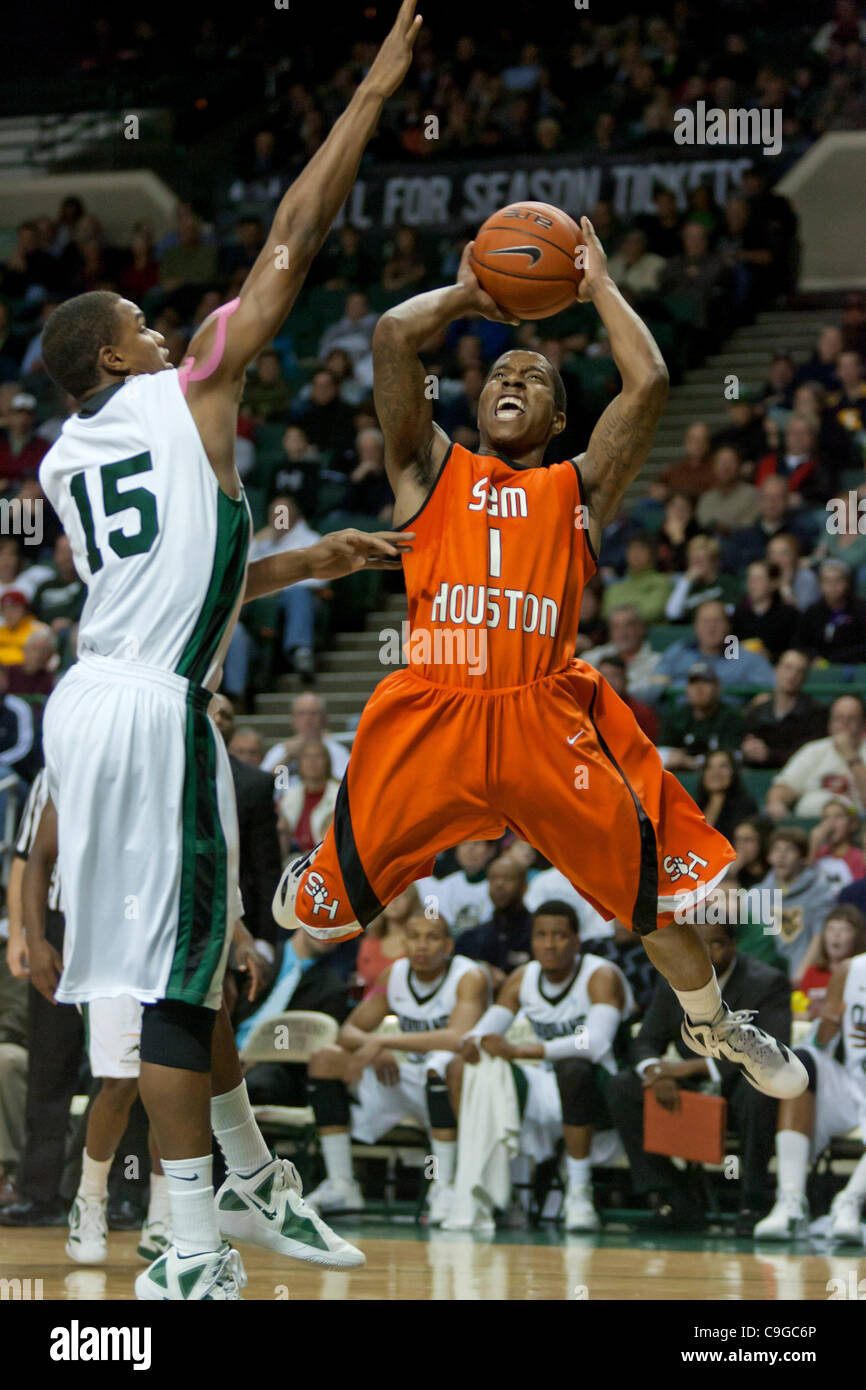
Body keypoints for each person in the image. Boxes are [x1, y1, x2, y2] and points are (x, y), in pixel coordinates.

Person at [33, 0, 422, 1301]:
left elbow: (170, 582)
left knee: (184, 966)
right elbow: (291, 242)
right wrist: (367, 101)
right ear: (111, 356)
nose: (166, 327)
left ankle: (237, 1185)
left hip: (94, 703)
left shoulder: (67, 452)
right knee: (186, 980)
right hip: (155, 713)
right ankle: (191, 1236)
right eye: (141, 322)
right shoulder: (181, 385)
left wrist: (308, 563)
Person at [277, 216, 808, 1111]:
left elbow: (649, 379)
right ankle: (318, 867)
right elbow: (392, 336)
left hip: (543, 718)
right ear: (477, 403)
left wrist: (596, 282)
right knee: (318, 917)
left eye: (536, 378)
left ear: (561, 418)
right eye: (500, 374)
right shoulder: (426, 470)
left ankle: (710, 1021)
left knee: (652, 894)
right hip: (434, 712)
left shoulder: (578, 489)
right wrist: (469, 293)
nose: (513, 379)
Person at [454, 900, 634, 1231]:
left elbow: (595, 1043)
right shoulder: (523, 977)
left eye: (559, 936)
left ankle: (580, 1192)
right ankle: (475, 1190)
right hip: (545, 1084)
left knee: (573, 1068)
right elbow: (486, 1029)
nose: (549, 944)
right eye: (541, 935)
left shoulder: (600, 975)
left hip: (602, 1087)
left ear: (577, 941)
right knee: (471, 1067)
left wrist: (522, 1050)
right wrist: (476, 1041)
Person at [606, 919, 791, 1235]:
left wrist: (689, 1068)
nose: (706, 953)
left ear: (734, 945)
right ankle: (674, 1197)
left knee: (757, 1092)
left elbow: (771, 1049)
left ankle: (752, 1202)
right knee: (622, 1087)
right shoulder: (677, 979)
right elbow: (646, 1040)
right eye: (699, 945)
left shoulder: (767, 982)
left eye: (716, 943)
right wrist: (656, 1072)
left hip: (740, 1083)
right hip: (689, 1086)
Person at [305, 913, 487, 1221]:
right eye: (414, 937)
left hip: (462, 1080)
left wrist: (385, 1043)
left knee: (440, 1064)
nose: (422, 945)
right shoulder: (395, 974)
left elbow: (456, 1037)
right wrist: (373, 1046)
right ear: (403, 943)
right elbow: (348, 1031)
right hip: (405, 1076)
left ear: (449, 944)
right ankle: (342, 1183)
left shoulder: (469, 977)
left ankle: (444, 1186)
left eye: (432, 938)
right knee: (325, 1059)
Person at [753, 948, 866, 1242]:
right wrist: (826, 1027)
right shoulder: (850, 970)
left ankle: (849, 1202)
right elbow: (821, 1042)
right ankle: (791, 1203)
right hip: (850, 1083)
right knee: (800, 1063)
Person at [757, 828, 838, 984]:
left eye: (789, 850)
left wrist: (801, 974)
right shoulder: (756, 894)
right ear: (769, 856)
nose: (781, 856)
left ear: (802, 857)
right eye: (777, 850)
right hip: (765, 979)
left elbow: (819, 935)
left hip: (803, 977)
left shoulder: (820, 891)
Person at [767, 695, 866, 820]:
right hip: (807, 824)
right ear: (830, 723)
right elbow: (785, 786)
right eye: (838, 718)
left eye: (851, 719)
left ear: (863, 724)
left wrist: (851, 756)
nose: (844, 724)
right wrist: (777, 802)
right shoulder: (813, 750)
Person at [653, 599, 775, 693]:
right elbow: (656, 683)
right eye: (705, 622)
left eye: (717, 621)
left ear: (728, 626)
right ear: (695, 627)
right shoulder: (679, 651)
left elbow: (770, 690)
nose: (711, 628)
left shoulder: (747, 657)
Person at [261, 691, 350, 784]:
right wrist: (286, 758)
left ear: (324, 719)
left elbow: (344, 789)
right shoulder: (279, 751)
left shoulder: (338, 751)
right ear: (293, 719)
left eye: (313, 713)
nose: (308, 719)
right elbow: (261, 785)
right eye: (301, 713)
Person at [277, 739, 340, 857]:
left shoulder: (339, 794)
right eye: (307, 757)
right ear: (299, 763)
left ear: (327, 762)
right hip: (292, 860)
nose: (312, 762)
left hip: (325, 859)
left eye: (318, 757)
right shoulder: (289, 795)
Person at [798, 904, 866, 1012]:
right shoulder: (812, 972)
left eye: (845, 929)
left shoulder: (861, 974)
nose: (836, 934)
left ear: (857, 937)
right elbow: (798, 1010)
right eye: (831, 929)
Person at [798, 560, 866, 665]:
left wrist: (834, 660)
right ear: (820, 584)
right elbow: (800, 643)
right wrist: (813, 657)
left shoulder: (861, 609)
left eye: (838, 580)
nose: (832, 586)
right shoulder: (812, 611)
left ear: (847, 583)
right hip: (818, 667)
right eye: (827, 581)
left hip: (852, 666)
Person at [354, 884, 416, 996]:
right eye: (389, 895)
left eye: (402, 895)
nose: (394, 901)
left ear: (412, 901)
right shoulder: (368, 942)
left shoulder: (418, 943)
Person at [732, 560, 799, 661]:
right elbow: (727, 649)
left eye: (758, 579)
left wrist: (771, 656)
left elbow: (796, 650)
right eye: (750, 579)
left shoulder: (789, 614)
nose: (752, 585)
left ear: (773, 583)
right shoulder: (738, 613)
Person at [663, 535, 739, 624]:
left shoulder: (727, 583)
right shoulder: (686, 587)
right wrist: (685, 582)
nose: (695, 566)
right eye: (692, 561)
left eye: (700, 561)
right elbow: (672, 614)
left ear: (714, 561)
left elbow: (732, 611)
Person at [601, 533, 672, 624]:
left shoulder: (661, 582)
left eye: (641, 549)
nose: (636, 554)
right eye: (632, 549)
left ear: (653, 555)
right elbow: (606, 613)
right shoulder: (616, 586)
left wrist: (622, 611)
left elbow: (652, 611)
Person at [694, 750, 758, 842]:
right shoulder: (693, 808)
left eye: (723, 766)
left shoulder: (745, 806)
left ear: (733, 772)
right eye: (709, 767)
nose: (715, 773)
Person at [808, 796, 866, 886]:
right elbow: (802, 886)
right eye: (825, 817)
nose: (830, 823)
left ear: (852, 824)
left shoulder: (859, 858)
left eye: (838, 817)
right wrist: (813, 847)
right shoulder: (817, 853)